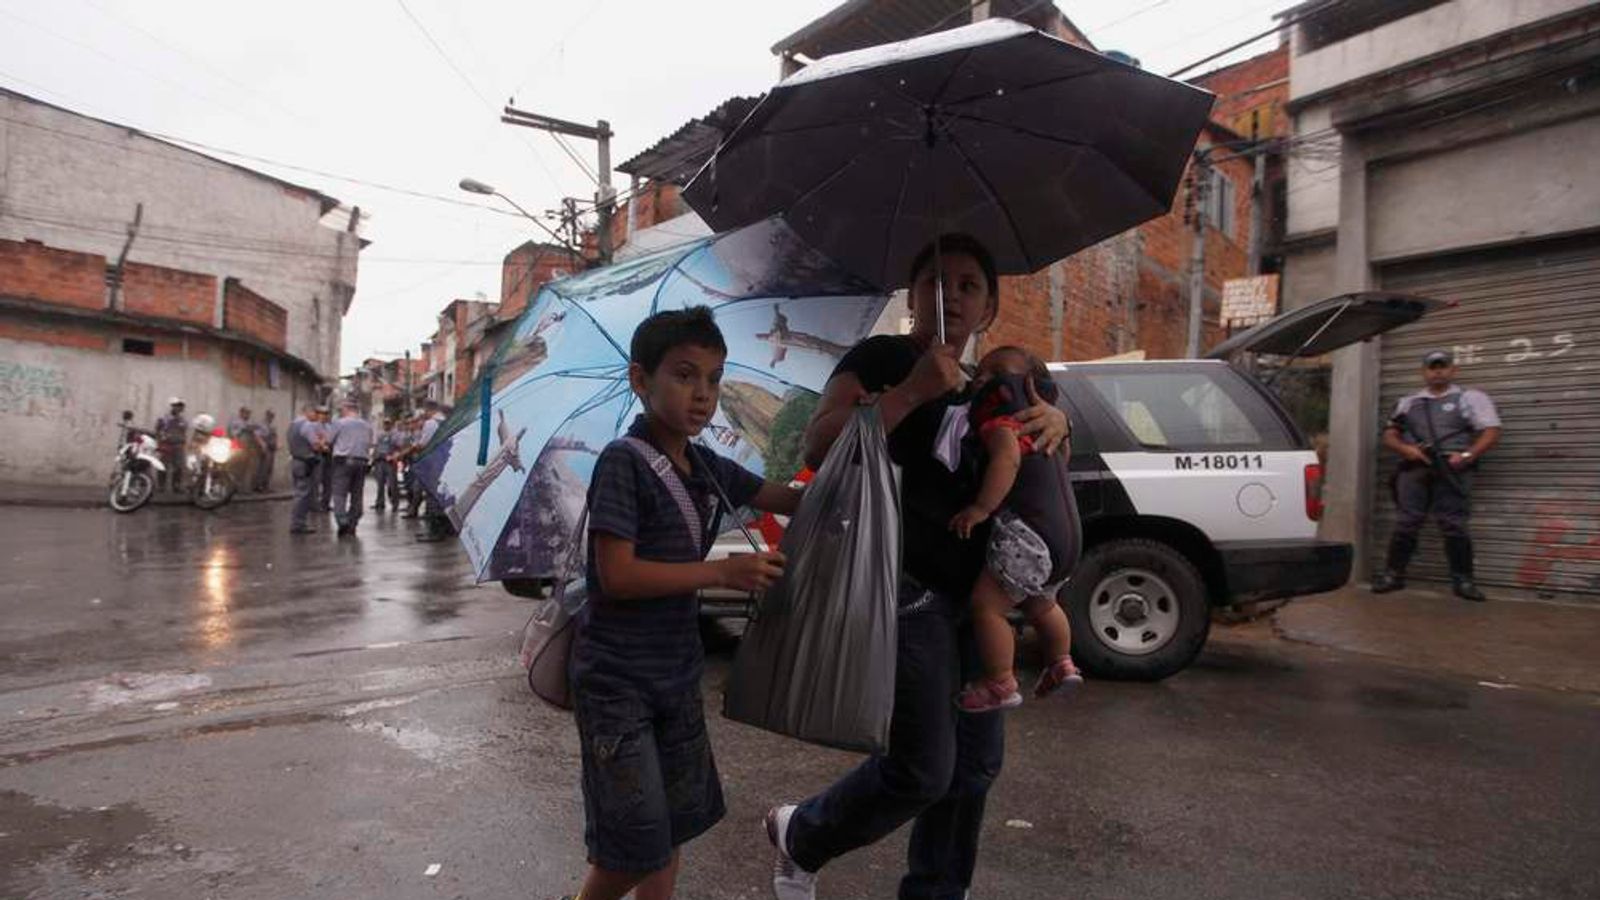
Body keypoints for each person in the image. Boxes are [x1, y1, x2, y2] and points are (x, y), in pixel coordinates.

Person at [767, 235, 1068, 900]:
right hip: (906, 585)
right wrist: (908, 391)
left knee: (975, 769)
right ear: (912, 297)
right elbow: (818, 443)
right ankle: (804, 834)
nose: (951, 294)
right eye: (936, 280)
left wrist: (1054, 419)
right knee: (924, 769)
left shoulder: (1000, 377)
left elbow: (1035, 462)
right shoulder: (883, 357)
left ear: (989, 304)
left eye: (967, 284)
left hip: (982, 594)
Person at [564, 306, 799, 900]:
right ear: (641, 380)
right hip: (617, 683)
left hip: (675, 675)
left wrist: (860, 450)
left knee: (667, 834)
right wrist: (724, 571)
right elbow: (616, 576)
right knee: (635, 845)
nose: (703, 394)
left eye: (714, 379)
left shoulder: (706, 465)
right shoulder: (623, 461)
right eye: (685, 375)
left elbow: (783, 497)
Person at [947, 346, 1083, 713]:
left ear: (1023, 386)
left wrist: (980, 508)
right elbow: (1061, 459)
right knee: (1042, 603)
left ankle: (1000, 683)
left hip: (1031, 535)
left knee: (988, 607)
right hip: (1066, 541)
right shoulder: (1046, 430)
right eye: (980, 374)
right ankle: (1061, 662)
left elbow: (1006, 459)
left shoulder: (1002, 420)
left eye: (995, 374)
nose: (982, 380)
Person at [1371, 349, 1502, 602]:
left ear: (1453, 370)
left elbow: (1491, 431)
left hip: (1452, 468)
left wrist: (1467, 456)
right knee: (1407, 522)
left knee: (1453, 524)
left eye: (1443, 366)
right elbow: (1389, 434)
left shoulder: (1470, 398)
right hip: (1415, 468)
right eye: (1432, 367)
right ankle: (1393, 575)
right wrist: (1405, 449)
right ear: (1424, 372)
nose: (1438, 371)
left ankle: (1463, 581)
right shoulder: (1408, 402)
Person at [327, 401, 375, 536]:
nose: (340, 412)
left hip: (343, 461)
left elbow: (329, 441)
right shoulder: (367, 425)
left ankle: (342, 521)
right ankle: (353, 522)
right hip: (362, 462)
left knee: (339, 493)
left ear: (347, 409)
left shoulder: (340, 423)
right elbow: (370, 443)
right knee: (357, 494)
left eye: (342, 409)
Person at [414, 402, 456, 542]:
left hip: (434, 462)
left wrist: (415, 447)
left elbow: (425, 444)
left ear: (428, 409)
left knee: (433, 494)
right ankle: (449, 528)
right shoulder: (448, 422)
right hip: (448, 462)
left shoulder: (431, 423)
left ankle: (435, 531)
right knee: (445, 494)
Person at [287, 404, 326, 534]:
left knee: (298, 491)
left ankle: (297, 522)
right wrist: (322, 445)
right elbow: (315, 445)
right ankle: (298, 523)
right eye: (314, 412)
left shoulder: (293, 425)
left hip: (295, 459)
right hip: (305, 462)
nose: (316, 415)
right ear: (307, 412)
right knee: (303, 494)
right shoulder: (307, 425)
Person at [153, 397, 188, 492]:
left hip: (179, 445)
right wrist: (159, 442)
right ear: (172, 406)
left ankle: (176, 486)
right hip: (166, 445)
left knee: (179, 467)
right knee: (163, 466)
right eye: (177, 406)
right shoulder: (164, 418)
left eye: (181, 406)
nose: (179, 408)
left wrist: (183, 443)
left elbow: (183, 433)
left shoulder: (183, 420)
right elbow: (157, 430)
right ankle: (161, 487)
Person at [370, 417, 402, 512]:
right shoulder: (379, 434)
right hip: (379, 461)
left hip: (390, 462)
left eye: (388, 423)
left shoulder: (395, 435)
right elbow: (376, 447)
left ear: (391, 424)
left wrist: (394, 456)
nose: (386, 425)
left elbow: (399, 447)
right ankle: (380, 503)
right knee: (380, 484)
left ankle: (395, 504)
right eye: (385, 423)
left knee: (392, 484)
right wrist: (373, 459)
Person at [227, 406, 258, 488]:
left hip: (248, 448)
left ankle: (243, 487)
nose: (248, 415)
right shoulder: (235, 422)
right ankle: (232, 486)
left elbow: (255, 433)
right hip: (238, 448)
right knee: (236, 467)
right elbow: (232, 434)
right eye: (246, 413)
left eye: (249, 413)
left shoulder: (249, 423)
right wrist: (242, 429)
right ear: (241, 413)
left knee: (246, 469)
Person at [314, 405, 335, 512]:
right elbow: (315, 439)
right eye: (322, 414)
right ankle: (315, 504)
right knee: (317, 479)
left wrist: (326, 442)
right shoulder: (314, 426)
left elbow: (331, 439)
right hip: (318, 455)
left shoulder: (329, 426)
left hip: (329, 455)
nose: (324, 416)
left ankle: (325, 503)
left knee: (328, 480)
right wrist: (323, 442)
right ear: (318, 415)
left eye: (326, 414)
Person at [253, 410, 279, 493]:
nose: (271, 417)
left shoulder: (272, 425)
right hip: (265, 447)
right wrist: (262, 445)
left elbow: (275, 435)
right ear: (267, 415)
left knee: (269, 468)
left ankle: (266, 485)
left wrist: (277, 443)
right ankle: (259, 486)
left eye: (272, 416)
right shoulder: (261, 424)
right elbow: (257, 435)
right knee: (264, 467)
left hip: (272, 447)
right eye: (270, 415)